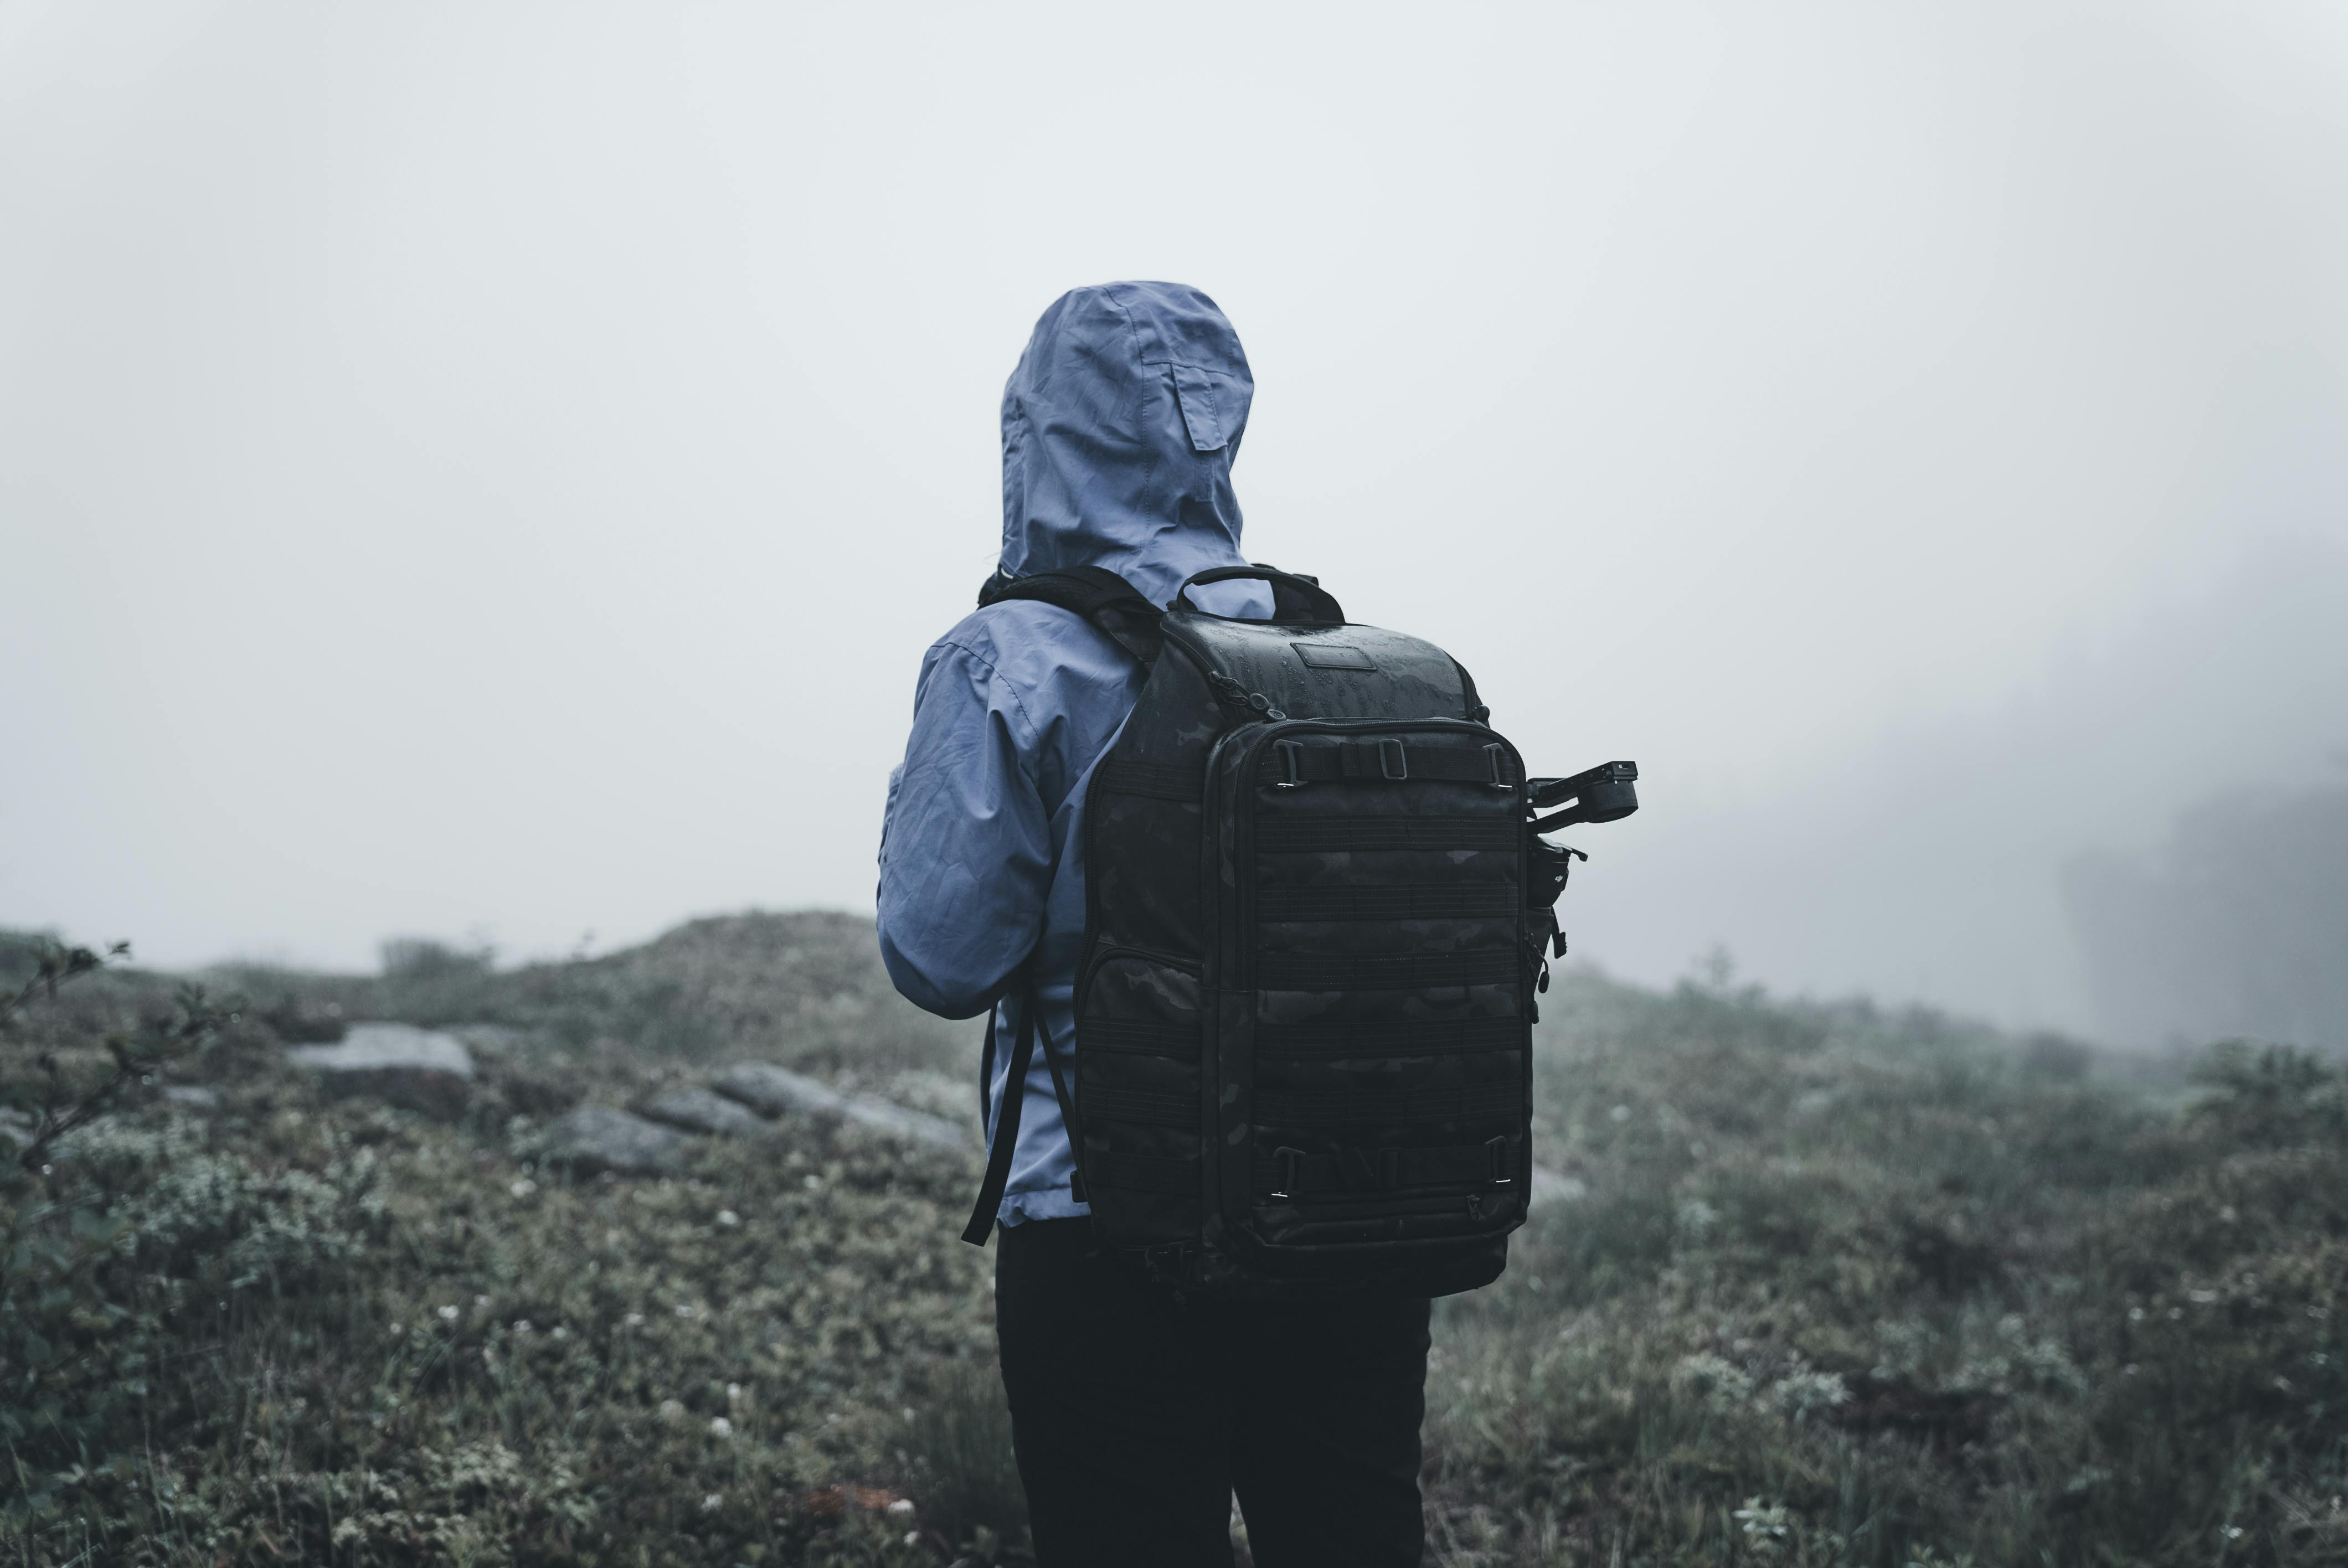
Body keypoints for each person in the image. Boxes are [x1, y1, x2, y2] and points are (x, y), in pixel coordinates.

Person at [877, 282, 1432, 1566]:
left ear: (1035, 439)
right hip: (1348, 1210)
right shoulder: (1323, 651)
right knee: (1349, 1537)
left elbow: (939, 958)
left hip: (1104, 1229)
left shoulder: (1009, 656)